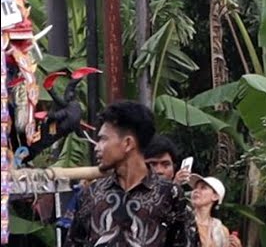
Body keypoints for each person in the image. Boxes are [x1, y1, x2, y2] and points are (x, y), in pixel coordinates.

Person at [67, 100, 197, 247]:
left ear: (128, 143)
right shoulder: (90, 194)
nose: (97, 147)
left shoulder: (169, 194)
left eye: (103, 139)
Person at [188, 173, 240, 247]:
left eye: (203, 188)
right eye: (195, 188)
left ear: (215, 197)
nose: (196, 191)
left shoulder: (221, 230)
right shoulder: (183, 220)